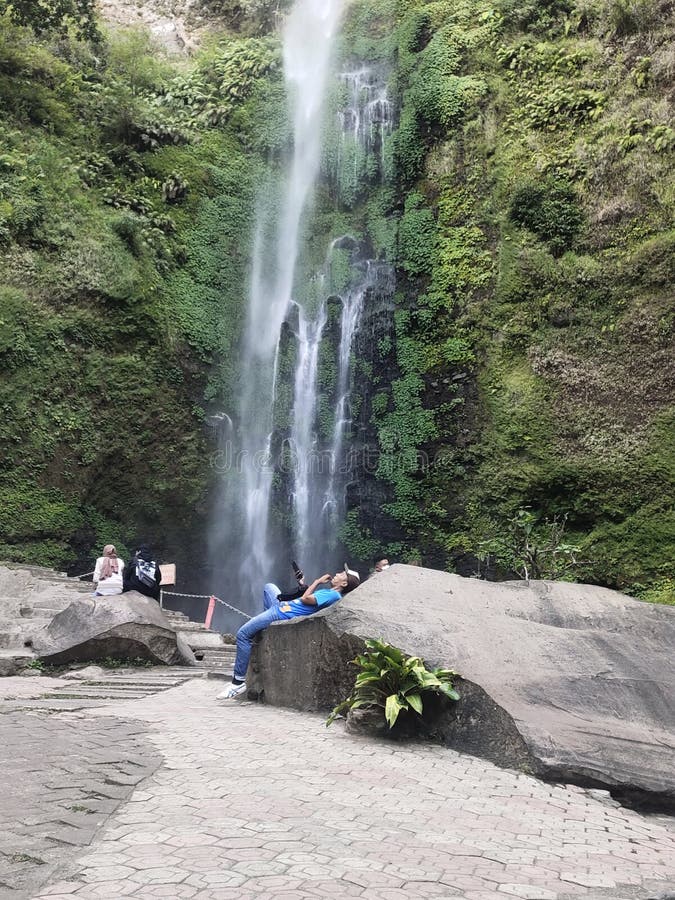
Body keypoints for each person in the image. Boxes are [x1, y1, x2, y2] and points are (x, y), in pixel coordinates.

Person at [217, 564, 361, 700]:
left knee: (242, 635)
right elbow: (305, 599)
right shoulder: (330, 592)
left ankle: (238, 683)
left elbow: (305, 599)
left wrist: (317, 581)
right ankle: (265, 627)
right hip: (281, 606)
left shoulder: (333, 595)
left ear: (344, 584)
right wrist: (302, 585)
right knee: (269, 587)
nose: (337, 574)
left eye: (342, 574)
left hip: (280, 613)